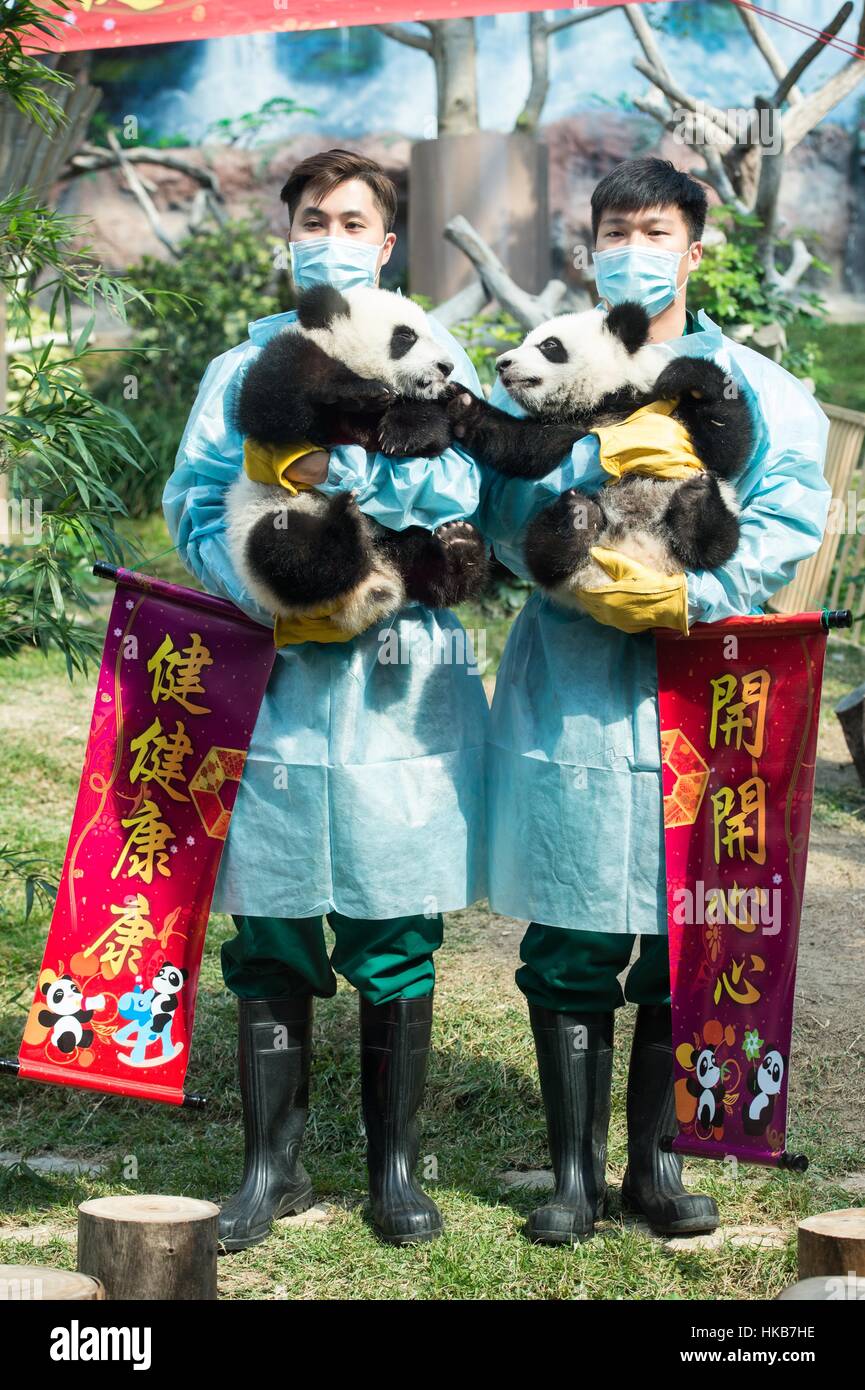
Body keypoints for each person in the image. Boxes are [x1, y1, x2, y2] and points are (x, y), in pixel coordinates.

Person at [479, 157, 831, 1245]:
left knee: (689, 930)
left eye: (656, 228)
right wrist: (570, 549)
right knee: (575, 933)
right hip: (573, 687)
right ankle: (573, 1175)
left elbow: (785, 518)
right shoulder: (549, 365)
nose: (635, 246)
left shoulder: (760, 388)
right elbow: (493, 505)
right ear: (590, 250)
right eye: (615, 229)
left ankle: (657, 1163)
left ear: (695, 247)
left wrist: (693, 590)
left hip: (708, 690)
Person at [163, 149, 487, 1250]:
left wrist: (370, 470)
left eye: (354, 220)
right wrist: (251, 578)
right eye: (314, 217)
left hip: (398, 689)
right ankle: (273, 1168)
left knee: (395, 920)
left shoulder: (432, 359)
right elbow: (193, 497)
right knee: (272, 918)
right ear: (288, 232)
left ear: (387, 243)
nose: (332, 234)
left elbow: (464, 486)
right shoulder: (239, 366)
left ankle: (394, 1169)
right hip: (278, 679)